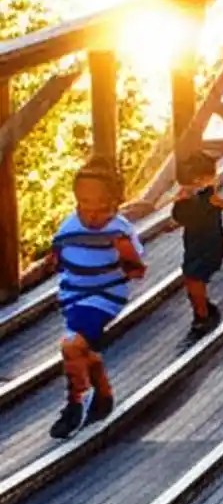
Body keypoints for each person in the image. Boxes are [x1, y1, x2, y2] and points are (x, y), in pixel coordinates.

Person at [48, 158, 147, 439]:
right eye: (84, 204)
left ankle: (74, 404)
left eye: (101, 207)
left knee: (70, 346)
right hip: (73, 296)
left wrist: (128, 258)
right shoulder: (68, 229)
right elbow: (59, 258)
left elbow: (137, 268)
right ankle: (103, 394)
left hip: (105, 294)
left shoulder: (119, 230)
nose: (92, 213)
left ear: (114, 203)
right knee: (81, 350)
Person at [172, 152, 223, 338]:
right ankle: (202, 309)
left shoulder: (208, 196)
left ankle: (202, 315)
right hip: (195, 244)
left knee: (194, 278)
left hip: (206, 245)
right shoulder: (188, 198)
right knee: (193, 279)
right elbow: (180, 216)